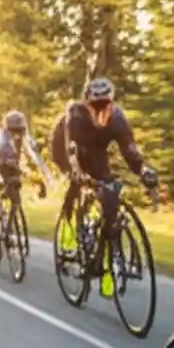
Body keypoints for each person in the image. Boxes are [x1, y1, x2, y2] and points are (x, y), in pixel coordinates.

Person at [50, 77, 157, 257]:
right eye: (95, 106)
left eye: (105, 105)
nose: (101, 111)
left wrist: (143, 170)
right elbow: (71, 151)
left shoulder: (117, 118)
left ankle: (103, 240)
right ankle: (68, 231)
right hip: (64, 146)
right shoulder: (75, 115)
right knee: (76, 183)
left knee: (108, 188)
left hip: (96, 151)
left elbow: (129, 150)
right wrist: (76, 173)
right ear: (86, 104)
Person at [0, 111, 52, 222]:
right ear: (6, 130)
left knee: (15, 191)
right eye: (13, 131)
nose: (17, 135)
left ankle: (9, 225)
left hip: (13, 166)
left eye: (20, 130)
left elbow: (33, 158)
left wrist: (41, 178)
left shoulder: (24, 139)